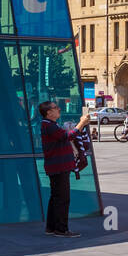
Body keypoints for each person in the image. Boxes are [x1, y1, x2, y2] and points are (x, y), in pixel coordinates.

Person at [39, 100, 89, 237]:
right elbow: (67, 136)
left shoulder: (50, 124)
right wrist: (81, 123)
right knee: (62, 198)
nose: (59, 109)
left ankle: (51, 227)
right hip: (59, 166)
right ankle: (61, 229)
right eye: (56, 108)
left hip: (57, 166)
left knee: (55, 198)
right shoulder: (48, 125)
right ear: (49, 112)